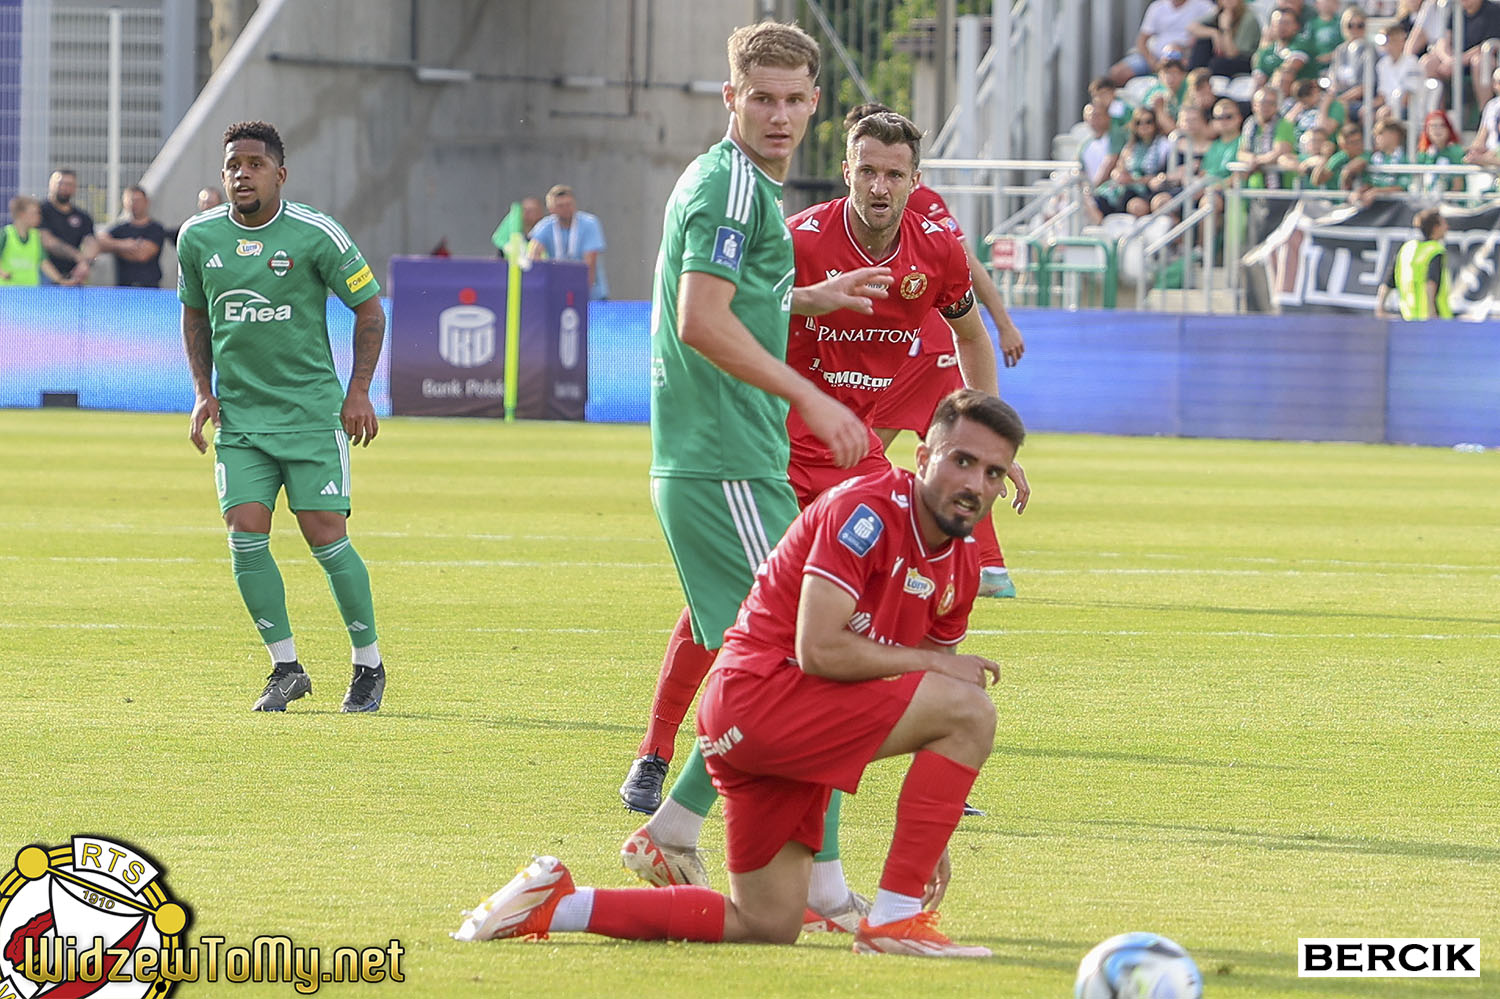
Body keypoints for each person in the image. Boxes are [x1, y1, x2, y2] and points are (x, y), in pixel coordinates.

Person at [455, 389, 1025, 959]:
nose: (975, 483)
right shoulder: (868, 509)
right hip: (761, 700)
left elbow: (913, 694)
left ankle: (557, 904)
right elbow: (820, 649)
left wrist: (931, 833)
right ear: (923, 456)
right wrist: (931, 666)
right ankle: (896, 922)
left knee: (765, 919)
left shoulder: (963, 565)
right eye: (962, 460)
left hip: (779, 732)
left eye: (993, 472)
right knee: (973, 709)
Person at [615, 19, 886, 842]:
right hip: (723, 458)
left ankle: (678, 829)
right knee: (810, 660)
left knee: (778, 661)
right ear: (731, 97)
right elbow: (701, 320)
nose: (778, 114)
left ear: (814, 103)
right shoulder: (732, 187)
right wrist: (811, 395)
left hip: (727, 457)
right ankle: (816, 876)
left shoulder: (737, 184)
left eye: (793, 100)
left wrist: (805, 297)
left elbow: (727, 300)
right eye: (760, 98)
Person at [176, 120, 390, 713]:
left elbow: (370, 310)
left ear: (279, 174)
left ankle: (368, 664)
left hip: (312, 416)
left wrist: (359, 392)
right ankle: (286, 666)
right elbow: (195, 318)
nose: (240, 174)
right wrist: (202, 390)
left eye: (253, 164)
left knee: (325, 536)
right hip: (241, 421)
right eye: (231, 166)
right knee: (245, 536)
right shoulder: (196, 239)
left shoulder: (315, 234)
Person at [527, 185, 608, 299]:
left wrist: (582, 294)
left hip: (592, 295)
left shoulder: (589, 224)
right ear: (551, 208)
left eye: (569, 204)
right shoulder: (545, 226)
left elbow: (590, 262)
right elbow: (533, 255)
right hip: (558, 294)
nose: (566, 209)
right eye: (560, 206)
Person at [1109, 0, 1218, 85]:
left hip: (1186, 58)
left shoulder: (1203, 6)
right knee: (1117, 73)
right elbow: (1141, 41)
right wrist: (1152, 61)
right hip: (1155, 57)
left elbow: (1219, 21)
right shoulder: (1157, 7)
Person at [1418, 0, 1500, 111]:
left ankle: (1484, 114)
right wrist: (1448, 59)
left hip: (1481, 60)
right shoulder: (1454, 9)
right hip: (1455, 60)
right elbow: (1443, 40)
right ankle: (1437, 116)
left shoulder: (1494, 10)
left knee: (1480, 63)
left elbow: (1486, 45)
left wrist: (1456, 61)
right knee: (1428, 63)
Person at [1375, 207, 1452, 318]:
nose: (1447, 228)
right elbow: (1431, 282)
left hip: (1409, 319)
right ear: (1435, 228)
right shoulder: (1435, 250)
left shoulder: (1406, 249)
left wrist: (1380, 308)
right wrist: (1432, 312)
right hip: (1433, 319)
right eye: (1444, 224)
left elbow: (1388, 281)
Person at [97, 185, 166, 287]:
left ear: (146, 201)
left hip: (150, 289)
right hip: (124, 289)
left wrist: (113, 248)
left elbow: (142, 255)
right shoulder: (119, 229)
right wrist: (124, 245)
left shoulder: (156, 229)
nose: (134, 204)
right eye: (131, 200)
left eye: (138, 200)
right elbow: (98, 242)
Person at [39, 169, 99, 284]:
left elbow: (91, 242)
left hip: (74, 276)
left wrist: (85, 263)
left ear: (75, 188)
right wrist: (77, 256)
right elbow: (48, 241)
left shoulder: (83, 217)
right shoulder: (40, 211)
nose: (64, 187)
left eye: (69, 184)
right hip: (46, 276)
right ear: (51, 185)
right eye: (60, 183)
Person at [0, 195, 71, 286]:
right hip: (7, 293)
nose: (39, 217)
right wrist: (3, 273)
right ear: (21, 214)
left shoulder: (36, 236)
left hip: (31, 292)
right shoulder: (5, 234)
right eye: (34, 213)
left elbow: (43, 262)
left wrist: (61, 281)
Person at [1186, 0, 1262, 77]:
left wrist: (1225, 29)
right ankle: (1193, 75)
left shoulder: (1248, 18)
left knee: (1216, 64)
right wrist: (1214, 33)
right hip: (1227, 54)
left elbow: (1232, 54)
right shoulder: (1221, 13)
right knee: (1203, 41)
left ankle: (1203, 78)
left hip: (1245, 60)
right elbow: (1191, 27)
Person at [1416, 109, 1468, 192]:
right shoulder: (1423, 153)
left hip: (1451, 201)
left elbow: (1458, 185)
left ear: (1448, 129)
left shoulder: (1456, 151)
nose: (1437, 129)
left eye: (1442, 125)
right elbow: (1418, 182)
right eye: (1432, 126)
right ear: (1426, 130)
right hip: (1427, 200)